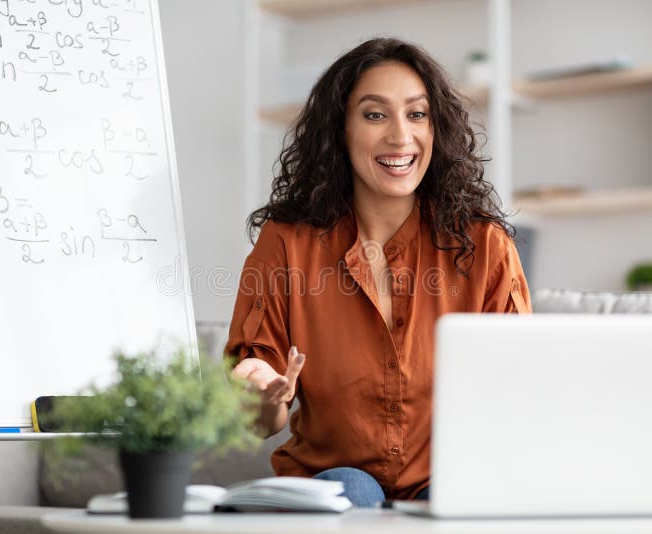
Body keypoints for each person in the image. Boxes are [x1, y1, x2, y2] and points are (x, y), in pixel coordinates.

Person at [225, 37, 531, 508]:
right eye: (374, 114)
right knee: (354, 487)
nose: (399, 136)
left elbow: (518, 395)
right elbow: (261, 419)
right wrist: (264, 396)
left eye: (416, 114)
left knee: (454, 492)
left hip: (446, 481)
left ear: (436, 128)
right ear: (340, 130)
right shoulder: (286, 243)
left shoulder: (486, 246)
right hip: (334, 485)